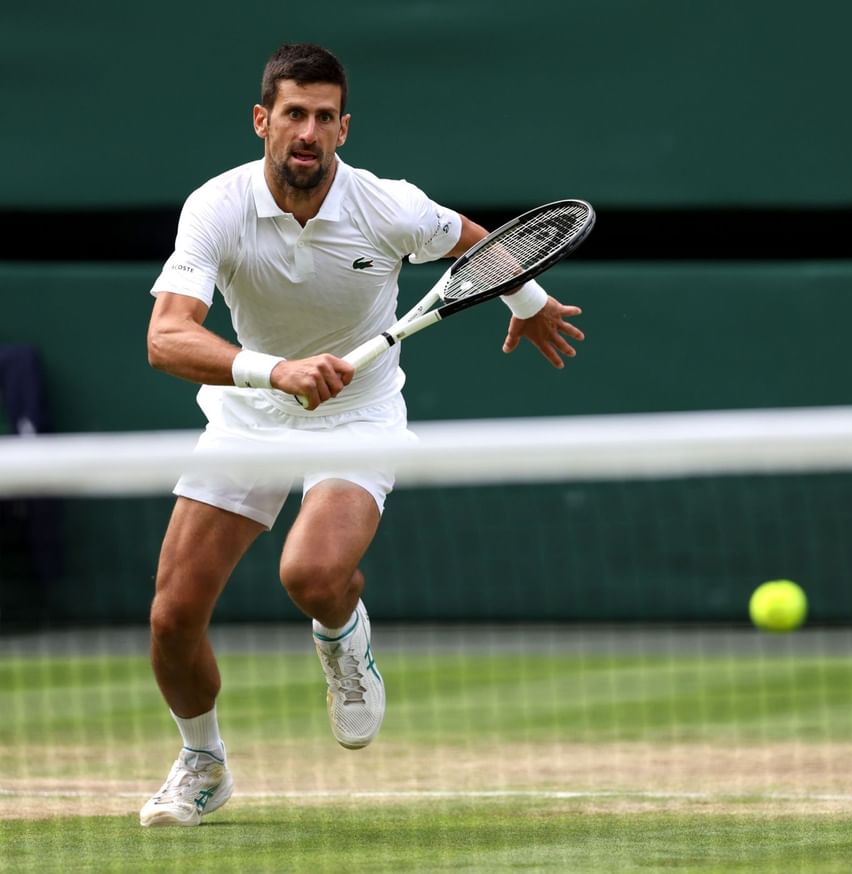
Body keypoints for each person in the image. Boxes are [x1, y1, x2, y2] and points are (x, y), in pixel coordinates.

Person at [138, 43, 583, 827]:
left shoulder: (388, 205)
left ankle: (343, 633)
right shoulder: (217, 205)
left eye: (323, 117)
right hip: (251, 413)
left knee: (311, 573)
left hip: (359, 415)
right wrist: (274, 372)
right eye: (292, 114)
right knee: (172, 618)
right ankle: (202, 761)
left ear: (343, 128)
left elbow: (476, 242)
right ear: (261, 121)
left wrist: (527, 302)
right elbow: (166, 338)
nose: (307, 132)